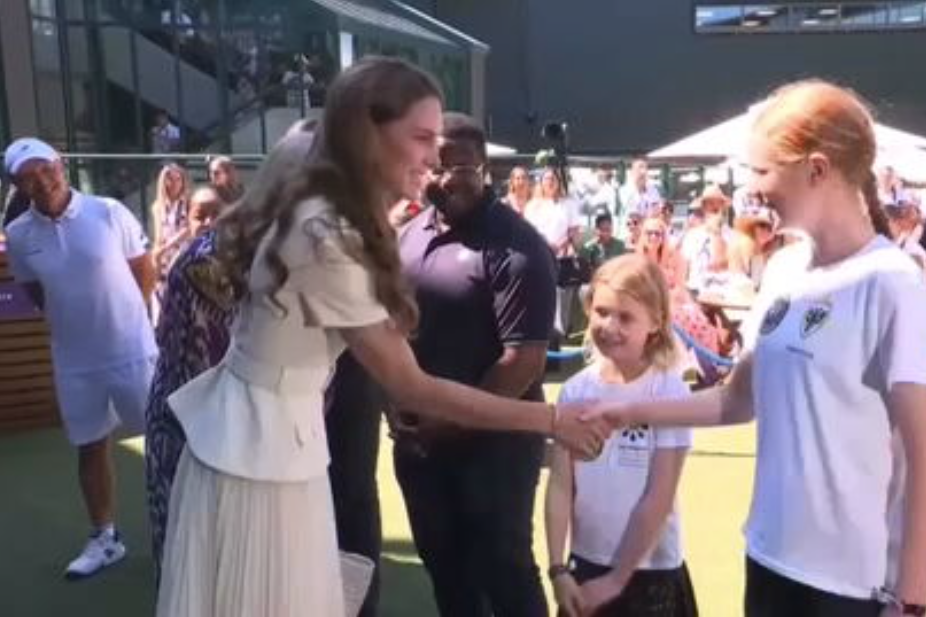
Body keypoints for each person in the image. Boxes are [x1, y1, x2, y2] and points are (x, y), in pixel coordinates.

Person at [155, 57, 606, 617]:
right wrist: (552, 419)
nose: (432, 156)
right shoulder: (326, 234)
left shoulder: (331, 211)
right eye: (420, 137)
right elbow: (409, 384)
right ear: (368, 133)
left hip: (272, 446)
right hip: (258, 457)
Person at [582, 80, 926, 617]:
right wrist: (624, 408)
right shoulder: (782, 269)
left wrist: (911, 600)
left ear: (816, 170)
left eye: (762, 170)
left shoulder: (892, 282)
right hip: (768, 558)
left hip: (850, 587)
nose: (752, 188)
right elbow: (735, 401)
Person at [392, 112, 557, 617]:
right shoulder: (410, 234)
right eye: (435, 167)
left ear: (484, 169)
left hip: (496, 447)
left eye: (460, 167)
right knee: (445, 569)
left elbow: (523, 360)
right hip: (420, 445)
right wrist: (396, 405)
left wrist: (449, 420)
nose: (446, 179)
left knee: (503, 570)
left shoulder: (518, 246)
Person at [144, 131, 311, 581]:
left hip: (241, 426)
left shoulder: (282, 249)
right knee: (200, 565)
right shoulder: (219, 256)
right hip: (198, 424)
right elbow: (209, 369)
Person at [3, 137, 157, 579]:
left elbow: (143, 270)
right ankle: (105, 538)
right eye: (29, 176)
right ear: (19, 184)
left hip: (132, 351)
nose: (42, 180)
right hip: (74, 360)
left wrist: (130, 324)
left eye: (46, 169)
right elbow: (35, 290)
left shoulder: (108, 211)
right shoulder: (17, 234)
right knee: (89, 446)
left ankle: (182, 530)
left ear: (61, 165)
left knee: (162, 443)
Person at [546, 254, 697, 617]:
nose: (609, 326)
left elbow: (658, 497)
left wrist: (618, 578)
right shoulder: (575, 392)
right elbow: (561, 486)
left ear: (656, 322)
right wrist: (558, 569)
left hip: (649, 573)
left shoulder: (669, 393)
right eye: (601, 312)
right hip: (584, 567)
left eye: (625, 317)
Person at [525, 166, 583, 337]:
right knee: (541, 298)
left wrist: (560, 245)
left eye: (553, 179)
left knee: (562, 300)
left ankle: (561, 335)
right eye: (547, 179)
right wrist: (546, 245)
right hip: (539, 256)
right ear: (541, 183)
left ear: (558, 182)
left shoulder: (568, 204)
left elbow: (574, 229)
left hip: (562, 257)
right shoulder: (532, 206)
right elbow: (529, 231)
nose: (550, 182)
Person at [150, 163, 192, 322]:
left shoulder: (188, 203)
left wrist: (167, 247)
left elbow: (188, 230)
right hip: (164, 258)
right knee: (159, 296)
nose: (174, 183)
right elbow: (159, 237)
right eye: (170, 179)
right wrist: (156, 257)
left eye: (178, 179)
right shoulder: (157, 207)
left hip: (183, 254)